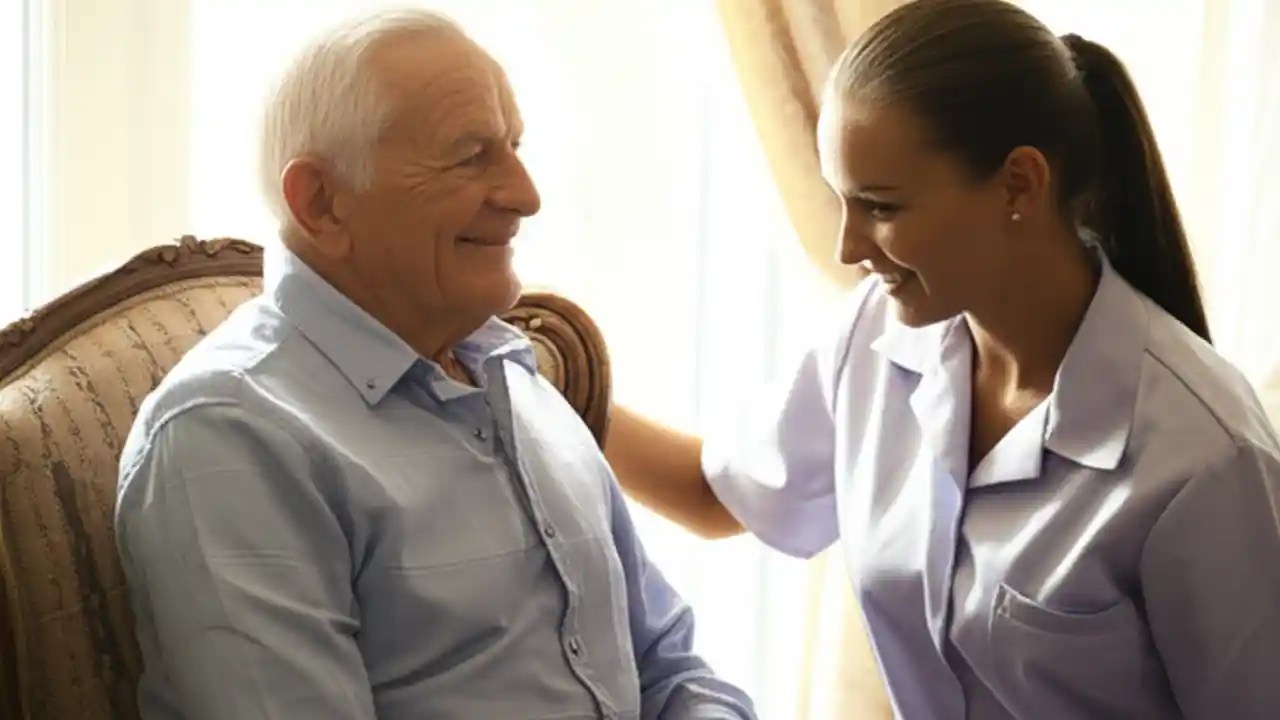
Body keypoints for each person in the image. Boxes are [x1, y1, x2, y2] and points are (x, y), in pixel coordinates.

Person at [606, 0, 1280, 717]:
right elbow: (721, 496)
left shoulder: (1205, 458)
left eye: (882, 207)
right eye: (842, 200)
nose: (848, 247)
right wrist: (548, 376)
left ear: (1019, 184)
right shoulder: (876, 337)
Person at [114, 10, 755, 720]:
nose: (525, 195)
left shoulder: (517, 375)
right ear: (322, 203)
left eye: (514, 145)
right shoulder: (230, 437)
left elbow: (668, 669)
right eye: (471, 154)